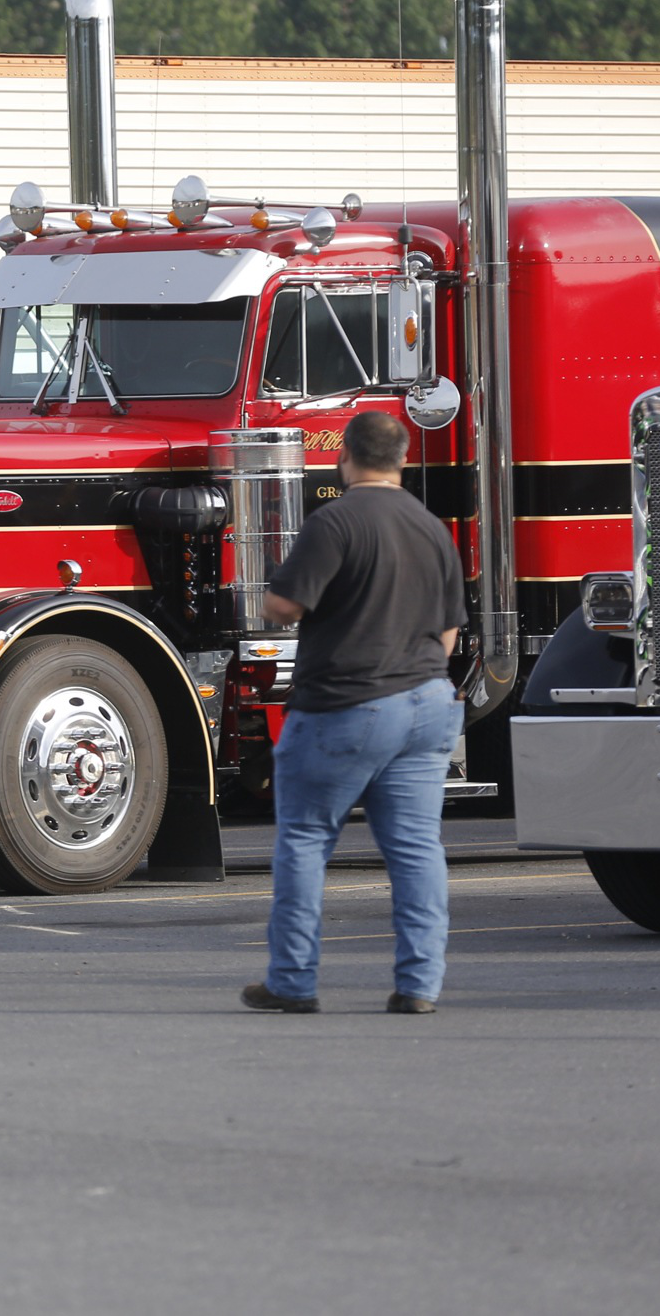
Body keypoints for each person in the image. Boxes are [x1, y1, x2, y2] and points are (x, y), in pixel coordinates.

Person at [241, 410, 466, 1016]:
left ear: (345, 457)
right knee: (417, 848)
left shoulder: (334, 521)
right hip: (426, 703)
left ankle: (292, 981)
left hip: (345, 703)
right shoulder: (431, 528)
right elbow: (447, 635)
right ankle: (419, 986)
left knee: (306, 840)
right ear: (400, 459)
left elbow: (285, 605)